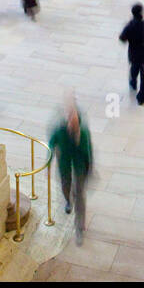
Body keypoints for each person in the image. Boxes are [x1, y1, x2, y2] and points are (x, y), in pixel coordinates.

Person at [48, 97, 94, 245]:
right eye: (70, 122)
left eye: (75, 123)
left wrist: (89, 170)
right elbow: (51, 144)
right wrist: (48, 163)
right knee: (65, 185)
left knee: (80, 195)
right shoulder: (60, 130)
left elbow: (88, 152)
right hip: (65, 164)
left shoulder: (84, 133)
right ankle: (68, 200)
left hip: (79, 166)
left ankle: (79, 227)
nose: (72, 125)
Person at [118, 3, 144, 106]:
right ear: (142, 13)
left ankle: (133, 83)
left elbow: (122, 38)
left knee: (134, 68)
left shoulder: (129, 26)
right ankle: (141, 98)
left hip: (133, 54)